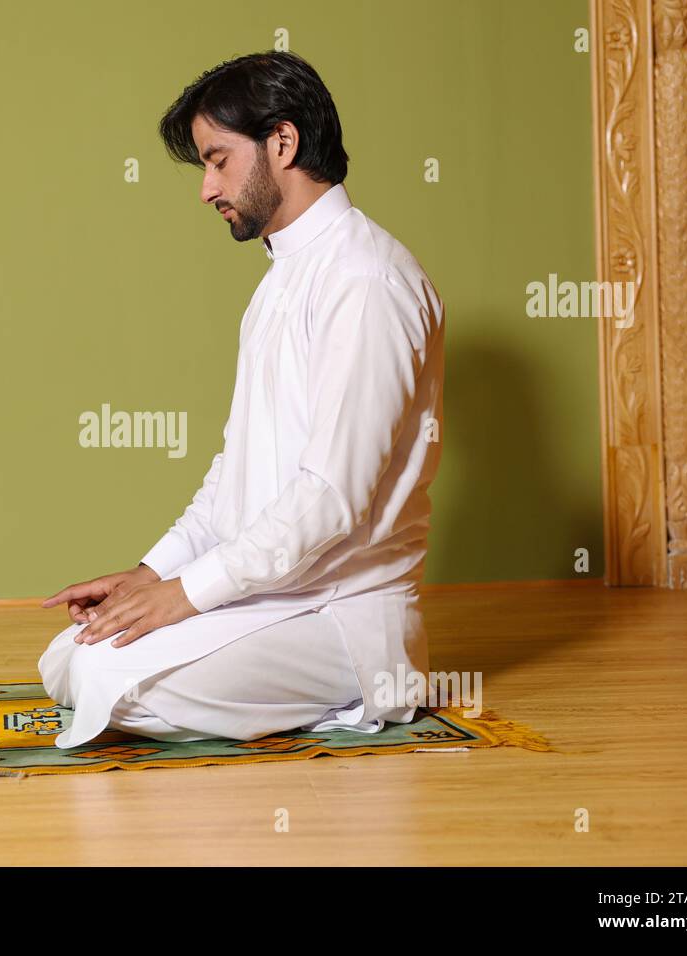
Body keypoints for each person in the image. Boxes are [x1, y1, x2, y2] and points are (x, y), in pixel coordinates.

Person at [39, 50, 444, 749]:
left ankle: (358, 692)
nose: (206, 188)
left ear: (282, 143)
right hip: (276, 593)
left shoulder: (366, 281)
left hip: (342, 616)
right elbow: (236, 469)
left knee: (116, 682)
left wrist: (187, 596)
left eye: (218, 160)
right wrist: (152, 574)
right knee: (73, 658)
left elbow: (330, 499)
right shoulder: (280, 283)